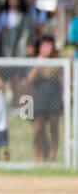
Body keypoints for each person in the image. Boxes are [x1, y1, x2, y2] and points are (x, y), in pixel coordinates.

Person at [26, 34, 63, 162]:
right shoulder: (34, 60)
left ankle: (53, 155)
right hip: (38, 99)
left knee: (54, 128)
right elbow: (29, 79)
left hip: (54, 99)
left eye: (49, 44)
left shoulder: (58, 61)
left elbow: (63, 78)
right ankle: (40, 156)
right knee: (38, 129)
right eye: (44, 45)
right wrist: (38, 63)